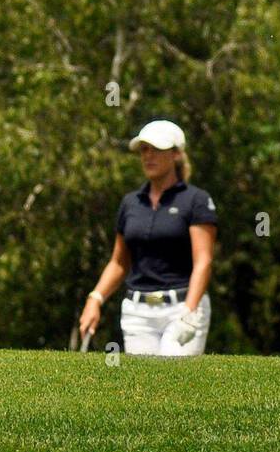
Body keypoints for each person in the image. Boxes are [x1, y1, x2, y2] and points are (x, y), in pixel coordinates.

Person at [79, 119, 218, 356]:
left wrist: (190, 311)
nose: (148, 156)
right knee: (142, 387)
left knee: (173, 384)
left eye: (157, 149)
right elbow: (119, 262)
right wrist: (95, 298)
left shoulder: (196, 201)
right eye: (144, 149)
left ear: (175, 154)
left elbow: (203, 261)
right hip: (137, 313)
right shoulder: (131, 203)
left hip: (181, 307)